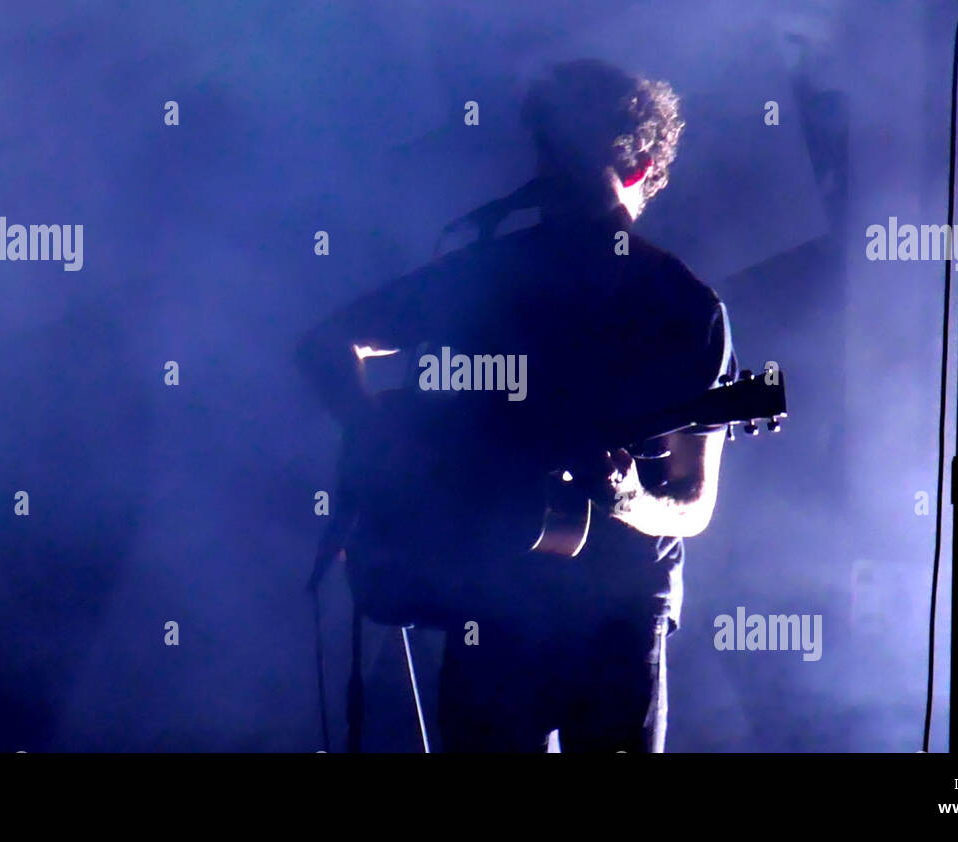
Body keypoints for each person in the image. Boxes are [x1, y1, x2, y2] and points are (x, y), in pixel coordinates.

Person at [297, 59, 736, 752]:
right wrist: (383, 441)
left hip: (617, 614)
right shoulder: (492, 267)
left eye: (581, 153)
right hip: (491, 597)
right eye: (551, 150)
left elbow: (693, 502)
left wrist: (629, 499)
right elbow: (327, 344)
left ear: (639, 166)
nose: (555, 171)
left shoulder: (682, 307)